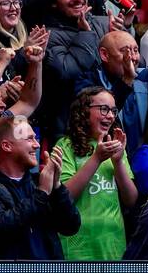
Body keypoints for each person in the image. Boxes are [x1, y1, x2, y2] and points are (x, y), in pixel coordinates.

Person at [0, 115, 80, 259]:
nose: (36, 145)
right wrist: (42, 193)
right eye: (29, 139)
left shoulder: (39, 182)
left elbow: (71, 226)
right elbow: (1, 226)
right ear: (7, 146)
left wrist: (56, 187)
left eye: (35, 138)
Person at [53, 87, 137, 261]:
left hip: (113, 245)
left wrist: (118, 162)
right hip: (78, 247)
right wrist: (97, 158)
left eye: (113, 111)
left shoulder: (115, 145)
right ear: (84, 111)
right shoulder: (65, 145)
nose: (110, 116)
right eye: (104, 109)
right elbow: (65, 197)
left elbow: (131, 200)